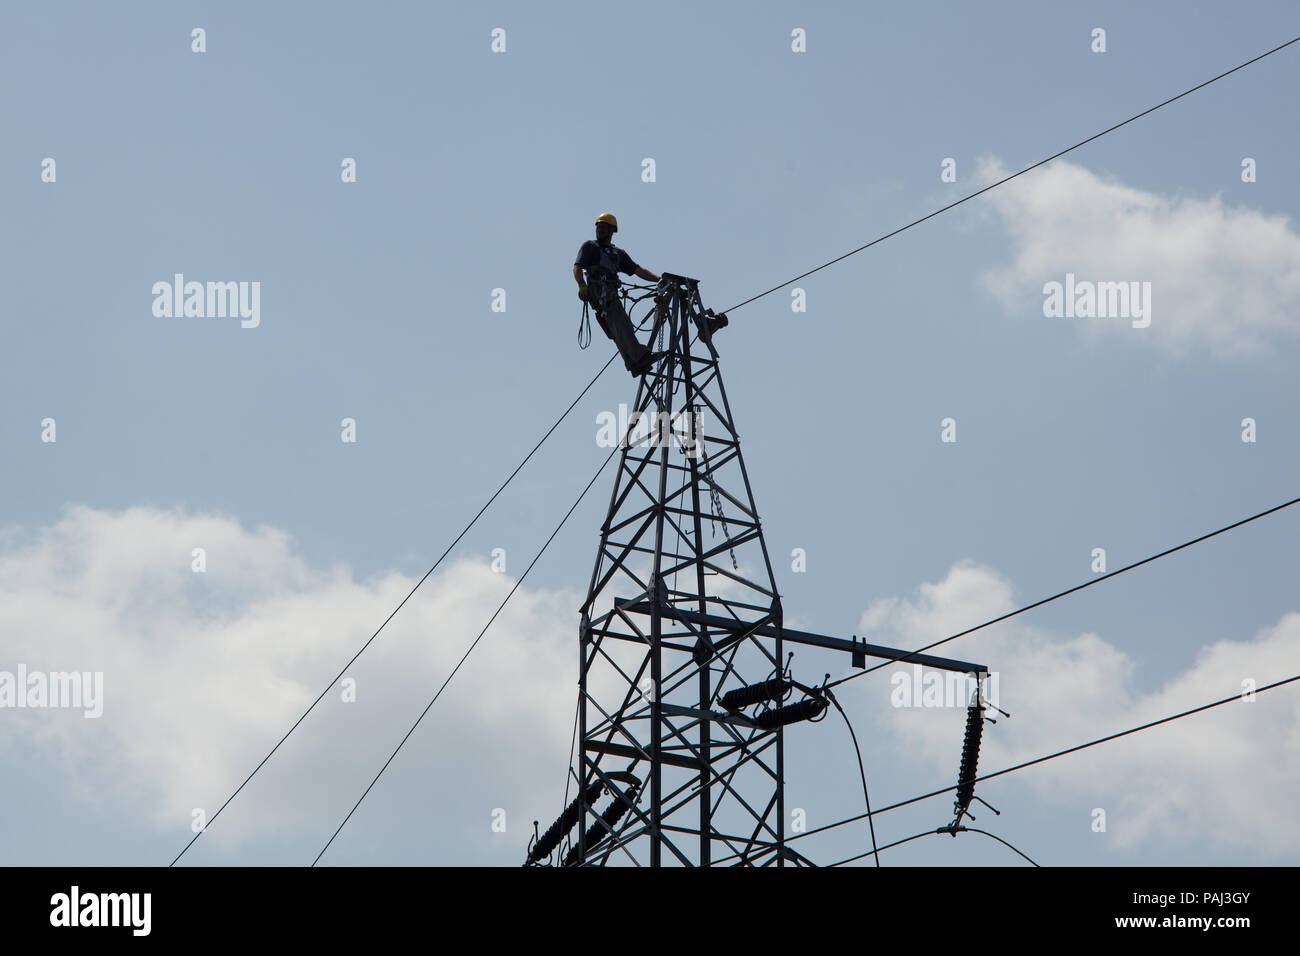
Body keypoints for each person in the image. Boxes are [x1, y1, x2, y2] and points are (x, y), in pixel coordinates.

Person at [573, 213, 661, 376]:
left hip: (610, 291)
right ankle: (640, 357)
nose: (600, 230)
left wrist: (658, 280)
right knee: (622, 323)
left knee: (617, 328)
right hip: (599, 291)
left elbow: (637, 270)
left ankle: (633, 364)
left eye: (603, 227)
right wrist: (581, 285)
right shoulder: (590, 247)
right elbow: (577, 267)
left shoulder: (618, 253)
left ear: (612, 230)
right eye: (598, 227)